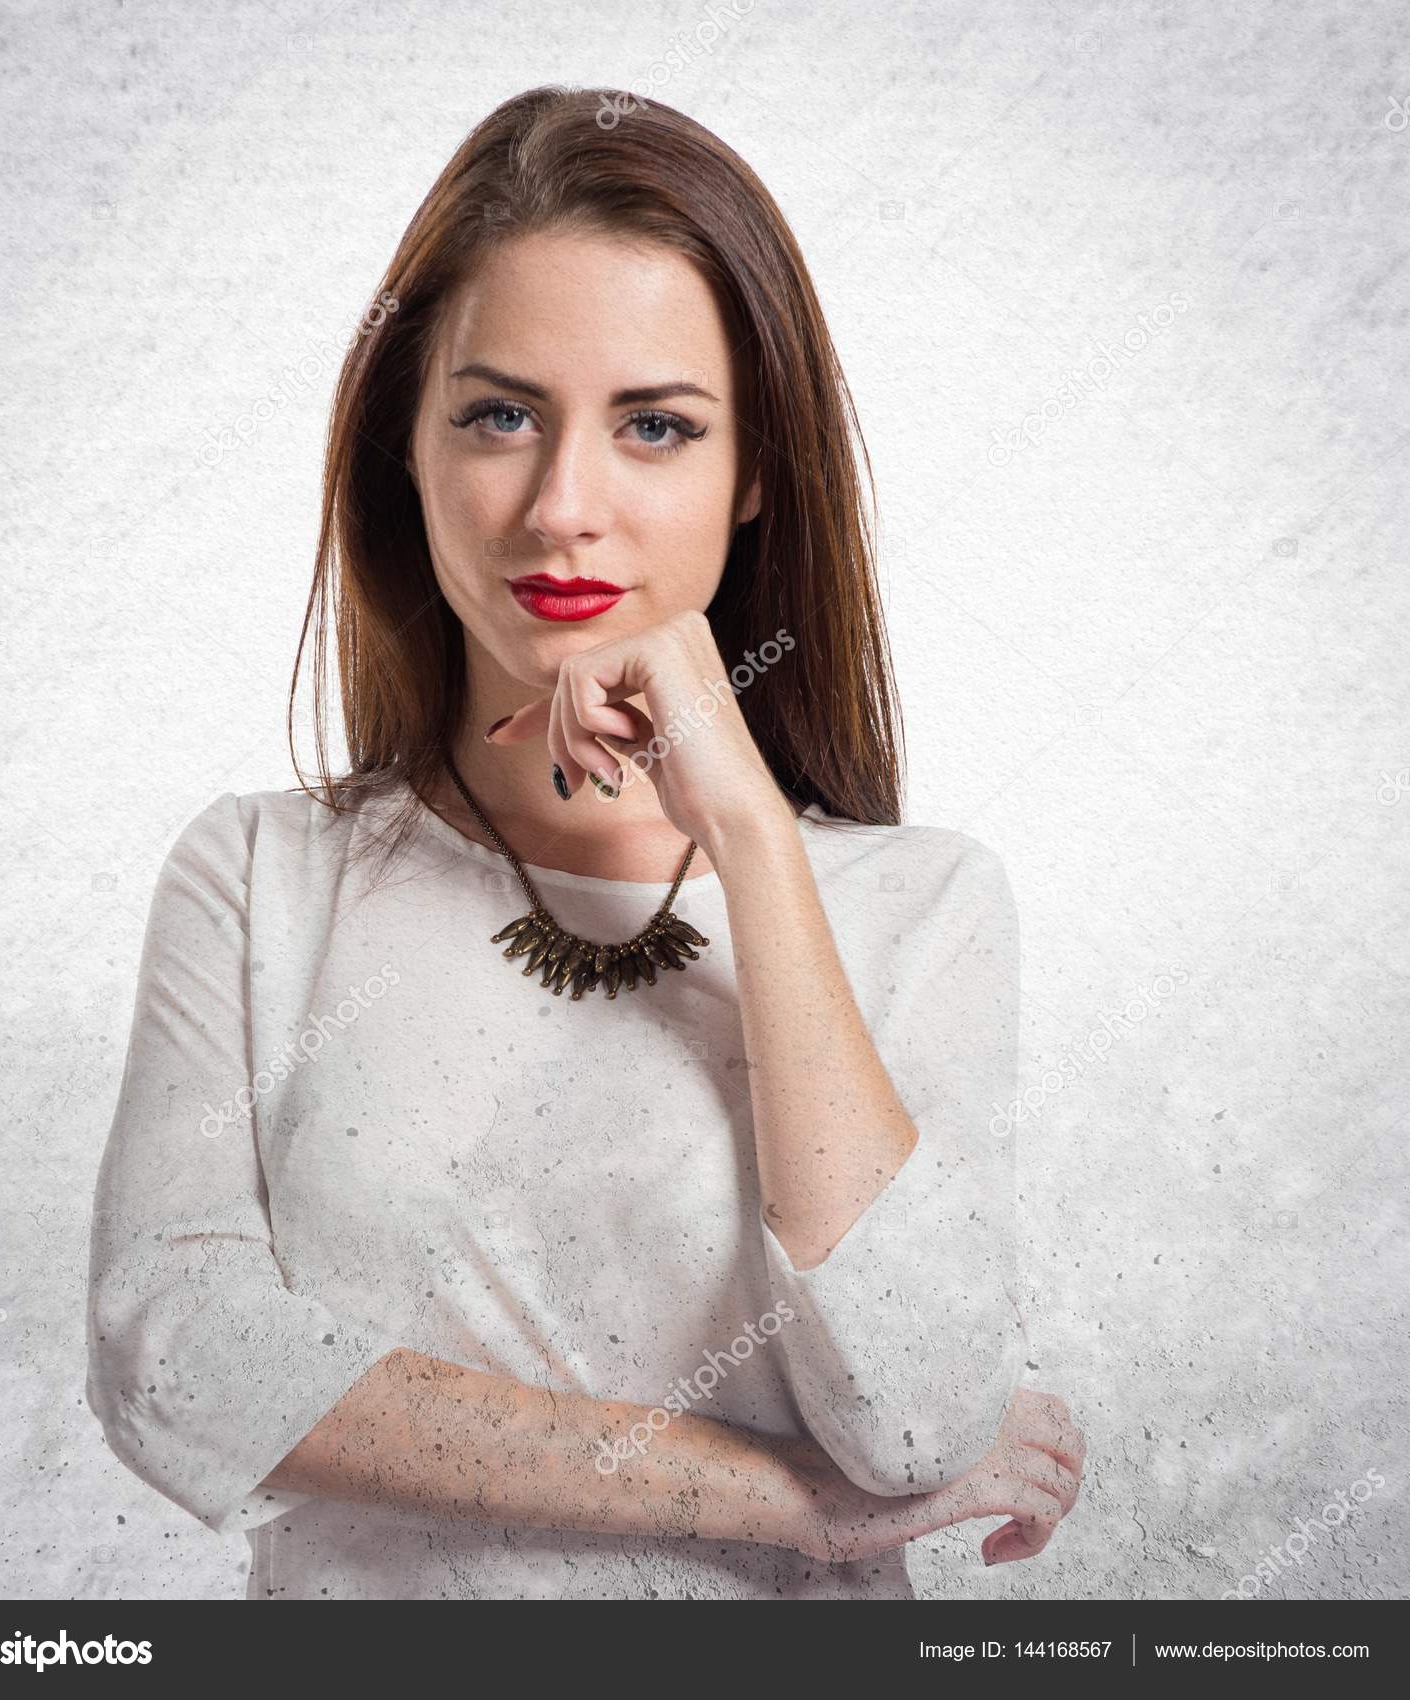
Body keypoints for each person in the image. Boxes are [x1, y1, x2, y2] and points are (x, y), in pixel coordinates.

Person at [85, 84, 1083, 1601]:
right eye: (499, 415)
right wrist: (761, 1499)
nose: (563, 508)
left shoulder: (924, 904)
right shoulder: (260, 882)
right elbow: (175, 1360)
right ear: (405, 447)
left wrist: (751, 836)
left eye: (656, 427)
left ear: (757, 471)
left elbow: (916, 1424)